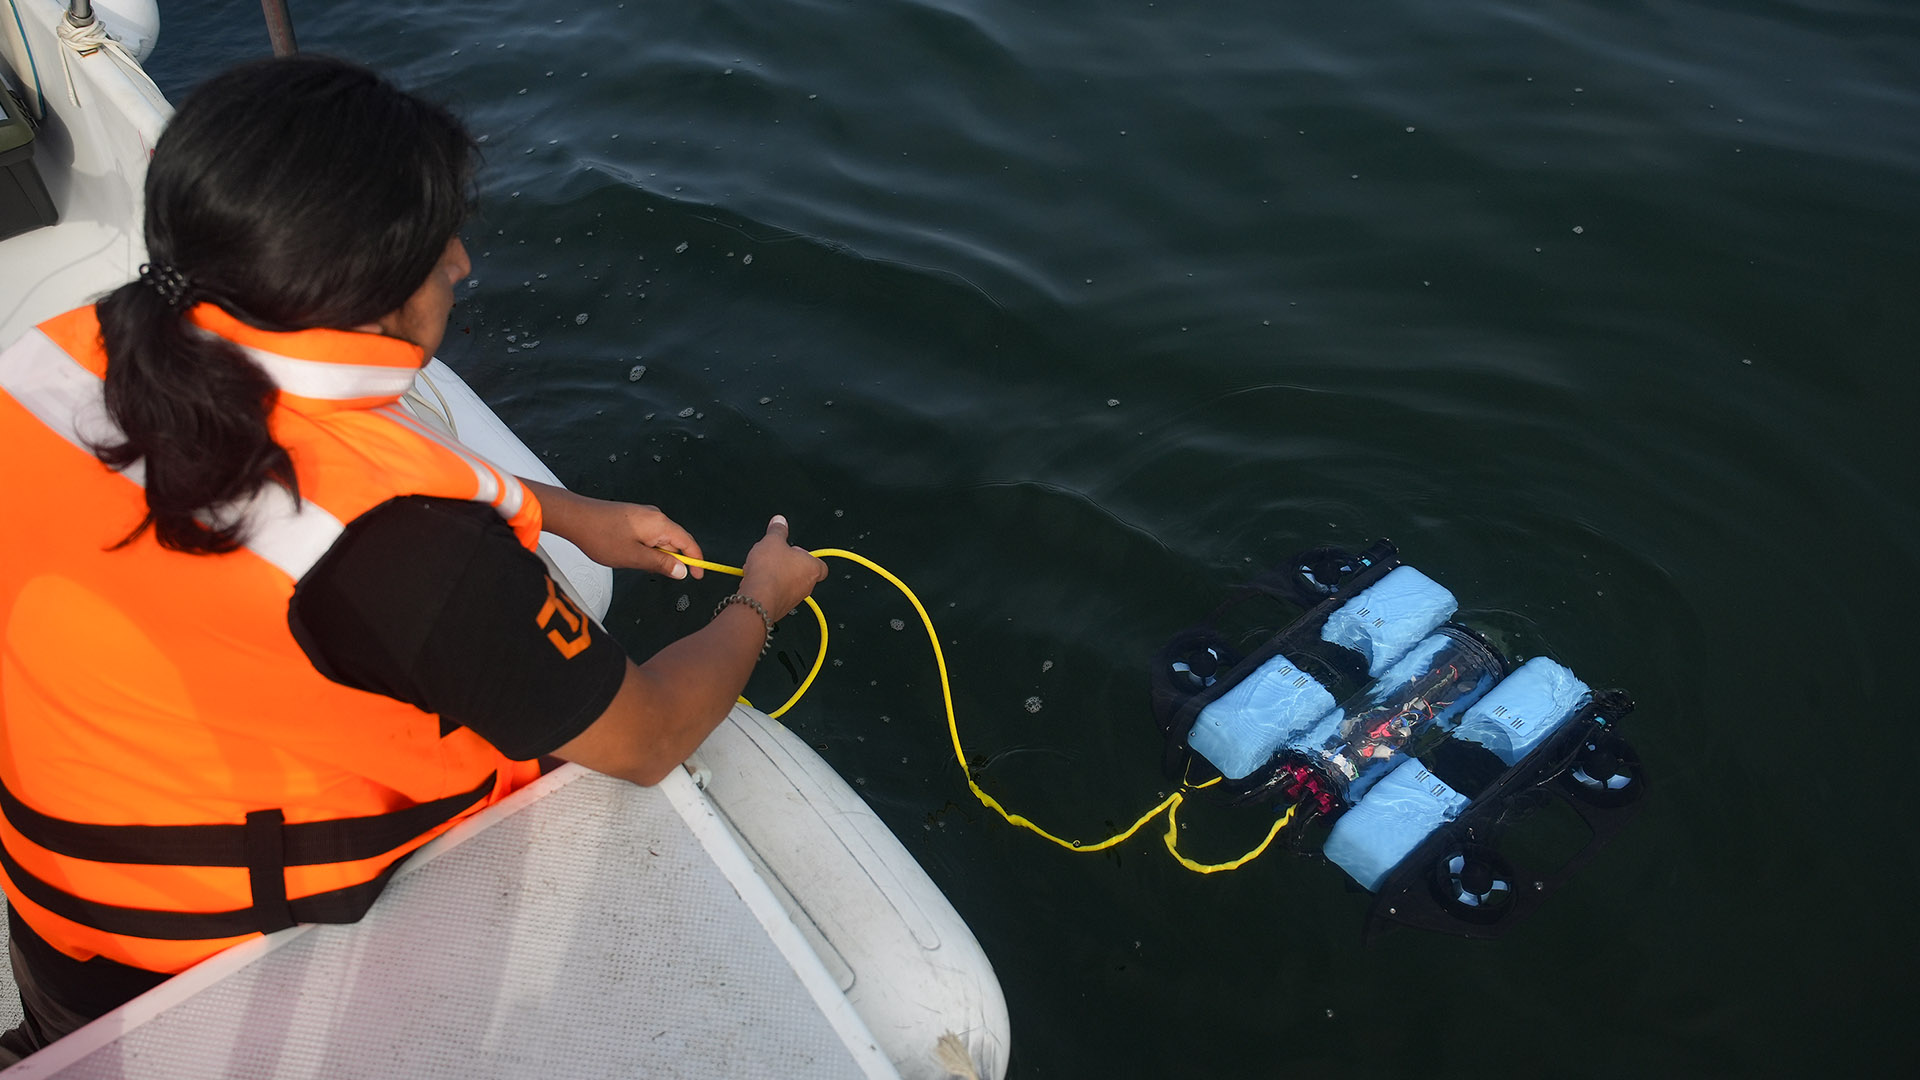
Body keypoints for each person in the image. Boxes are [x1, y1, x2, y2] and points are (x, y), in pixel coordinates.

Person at [0, 55, 827, 1059]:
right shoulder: (415, 554)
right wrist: (758, 601)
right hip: (213, 977)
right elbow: (644, 740)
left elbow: (293, 481)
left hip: (59, 922)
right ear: (361, 293)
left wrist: (569, 515)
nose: (463, 264)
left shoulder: (49, 353)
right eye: (436, 244)